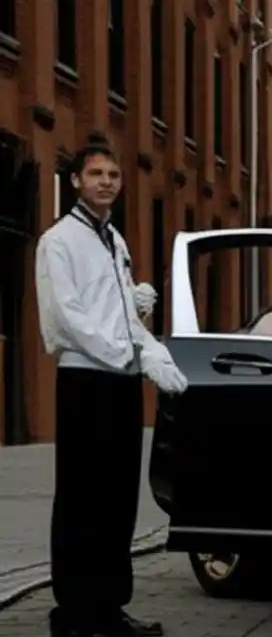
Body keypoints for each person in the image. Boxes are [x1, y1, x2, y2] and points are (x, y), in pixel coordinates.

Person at [34, 137, 188, 637]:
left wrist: (147, 344)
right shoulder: (59, 241)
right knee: (82, 496)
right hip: (85, 379)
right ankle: (75, 614)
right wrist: (130, 354)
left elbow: (123, 312)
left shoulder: (114, 240)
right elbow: (67, 317)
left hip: (121, 380)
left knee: (118, 499)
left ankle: (108, 608)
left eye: (113, 176)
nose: (105, 182)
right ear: (75, 180)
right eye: (95, 173)